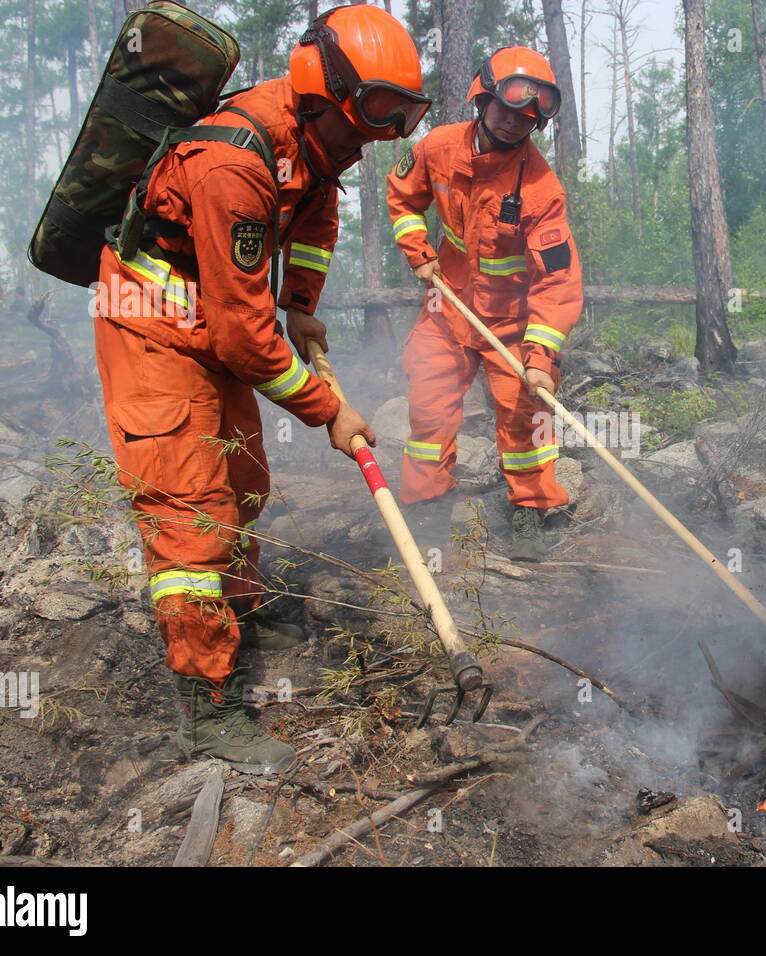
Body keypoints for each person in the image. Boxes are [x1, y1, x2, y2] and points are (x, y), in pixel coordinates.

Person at [92, 4, 429, 774]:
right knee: (189, 513)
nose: (365, 147)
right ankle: (207, 706)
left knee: (242, 476)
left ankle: (237, 608)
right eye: (359, 130)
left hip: (212, 319)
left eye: (384, 130)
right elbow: (245, 341)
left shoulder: (309, 140)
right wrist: (328, 410)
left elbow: (314, 217)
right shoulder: (234, 161)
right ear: (321, 95)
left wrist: (301, 306)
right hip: (151, 324)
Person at [380, 47, 584, 561]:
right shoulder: (439, 146)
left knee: (526, 413)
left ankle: (530, 514)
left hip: (513, 324)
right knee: (428, 408)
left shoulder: (542, 190)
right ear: (482, 98)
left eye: (527, 118)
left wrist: (538, 360)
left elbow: (557, 285)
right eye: (507, 110)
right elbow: (404, 197)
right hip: (446, 309)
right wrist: (417, 251)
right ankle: (427, 511)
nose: (515, 123)